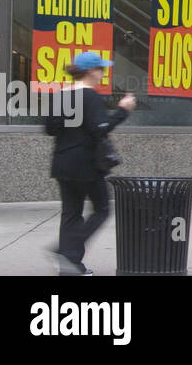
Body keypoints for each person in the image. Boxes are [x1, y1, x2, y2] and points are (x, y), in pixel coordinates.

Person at [45, 52, 135, 275]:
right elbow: (101, 129)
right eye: (101, 69)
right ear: (91, 71)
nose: (103, 74)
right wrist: (123, 110)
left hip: (62, 163)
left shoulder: (61, 95)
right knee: (102, 210)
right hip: (86, 164)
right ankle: (65, 252)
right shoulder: (90, 96)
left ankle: (70, 268)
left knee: (71, 213)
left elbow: (50, 129)